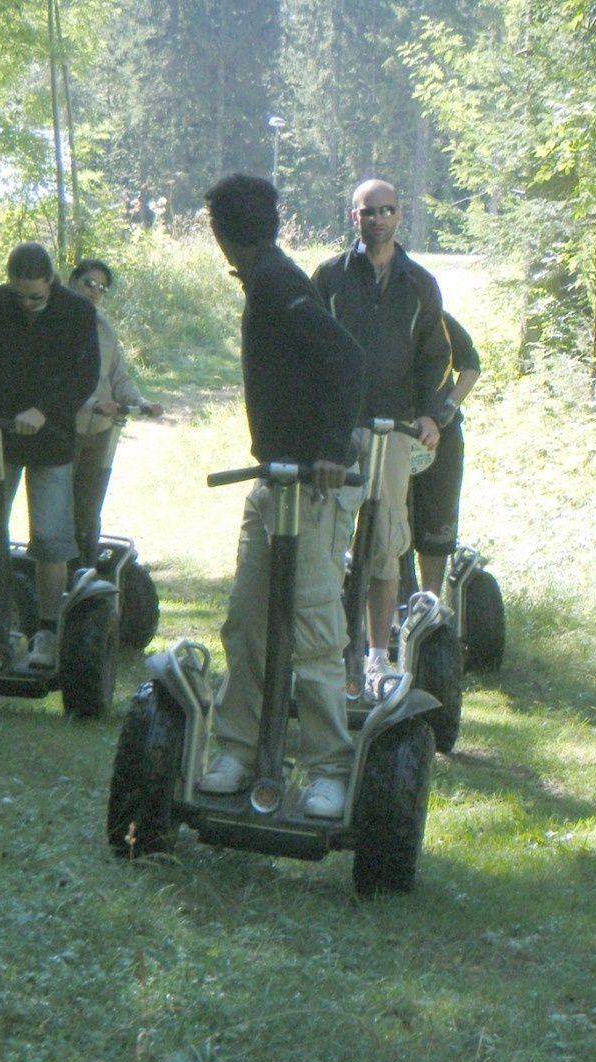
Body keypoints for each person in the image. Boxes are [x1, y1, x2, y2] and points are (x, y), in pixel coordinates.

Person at [198, 172, 365, 818]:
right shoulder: (263, 278)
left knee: (316, 629)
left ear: (223, 233)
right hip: (273, 482)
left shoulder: (278, 281)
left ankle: (328, 769)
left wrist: (331, 450)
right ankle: (238, 750)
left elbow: (345, 361)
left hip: (311, 492)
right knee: (247, 622)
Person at [311, 178, 451, 696]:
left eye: (386, 210)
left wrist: (433, 416)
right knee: (326, 545)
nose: (377, 219)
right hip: (337, 435)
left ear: (399, 215)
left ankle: (376, 658)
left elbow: (437, 358)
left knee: (387, 546)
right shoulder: (329, 277)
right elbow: (306, 351)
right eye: (367, 212)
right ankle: (326, 654)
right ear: (354, 218)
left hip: (393, 431)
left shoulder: (419, 283)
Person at [0, 242, 99, 668]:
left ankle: (46, 631)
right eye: (20, 295)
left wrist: (44, 411)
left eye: (36, 296)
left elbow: (85, 376)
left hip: (53, 438)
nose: (27, 304)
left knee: (49, 537)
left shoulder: (77, 312)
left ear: (52, 282)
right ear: (9, 284)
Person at [67, 257, 165, 568]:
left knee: (89, 510)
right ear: (72, 281)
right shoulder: (55, 323)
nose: (95, 292)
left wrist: (141, 402)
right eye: (89, 284)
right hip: (64, 430)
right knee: (58, 512)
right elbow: (55, 380)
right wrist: (92, 403)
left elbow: (118, 376)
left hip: (102, 432)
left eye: (102, 288)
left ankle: (85, 573)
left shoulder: (104, 327)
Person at [409, 312, 482, 597]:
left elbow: (471, 365)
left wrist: (448, 408)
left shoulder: (437, 318)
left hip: (441, 437)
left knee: (436, 524)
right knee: (390, 527)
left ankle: (430, 601)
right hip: (390, 434)